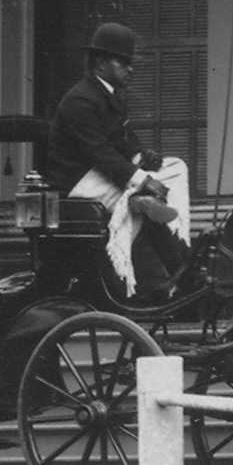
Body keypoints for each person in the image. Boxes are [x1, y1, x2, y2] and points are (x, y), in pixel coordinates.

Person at [35, 17, 192, 297]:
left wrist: (143, 156)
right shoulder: (80, 100)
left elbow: (124, 142)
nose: (130, 68)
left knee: (176, 167)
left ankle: (178, 243)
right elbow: (99, 152)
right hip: (79, 182)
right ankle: (170, 271)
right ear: (100, 62)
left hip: (104, 172)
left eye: (129, 61)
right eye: (122, 61)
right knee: (138, 198)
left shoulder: (111, 96)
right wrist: (142, 179)